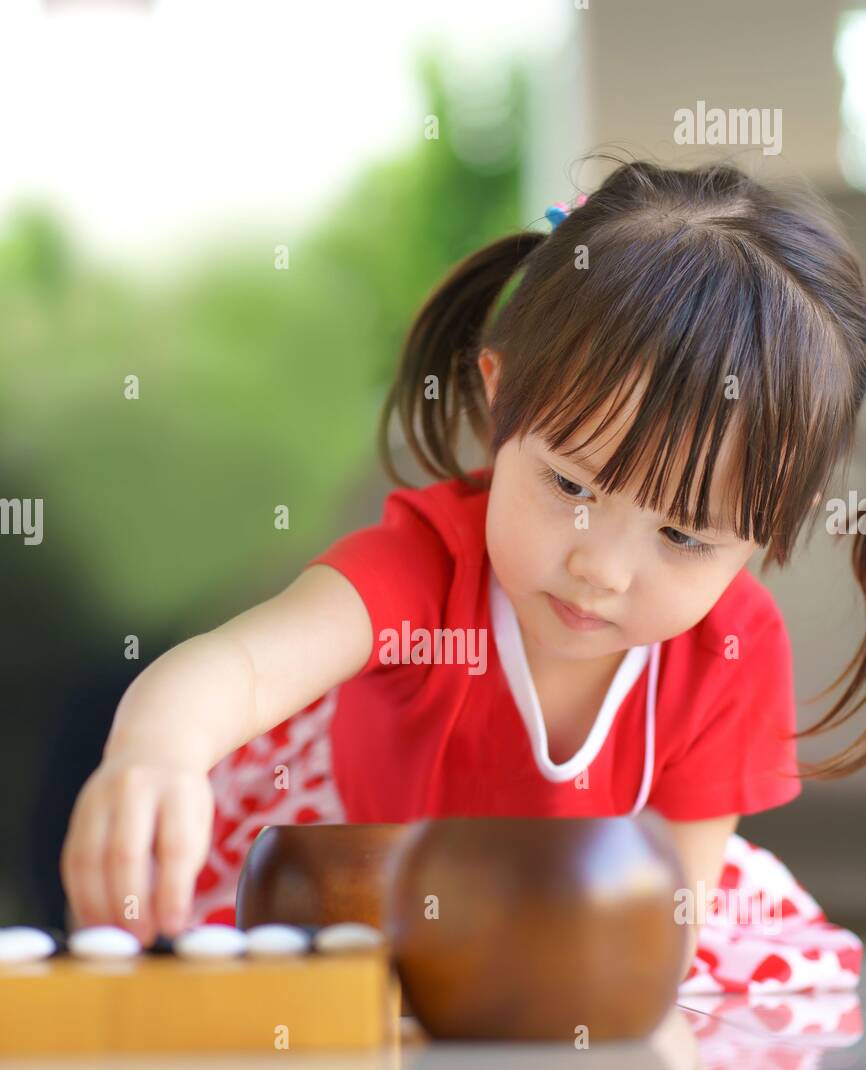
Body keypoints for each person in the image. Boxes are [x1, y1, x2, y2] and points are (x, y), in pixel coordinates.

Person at [60, 157, 866, 992]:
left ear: (768, 534)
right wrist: (156, 753)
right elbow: (246, 667)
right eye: (569, 486)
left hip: (596, 916)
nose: (600, 566)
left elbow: (667, 923)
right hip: (361, 880)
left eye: (683, 536)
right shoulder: (425, 567)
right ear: (498, 398)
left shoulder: (732, 653)